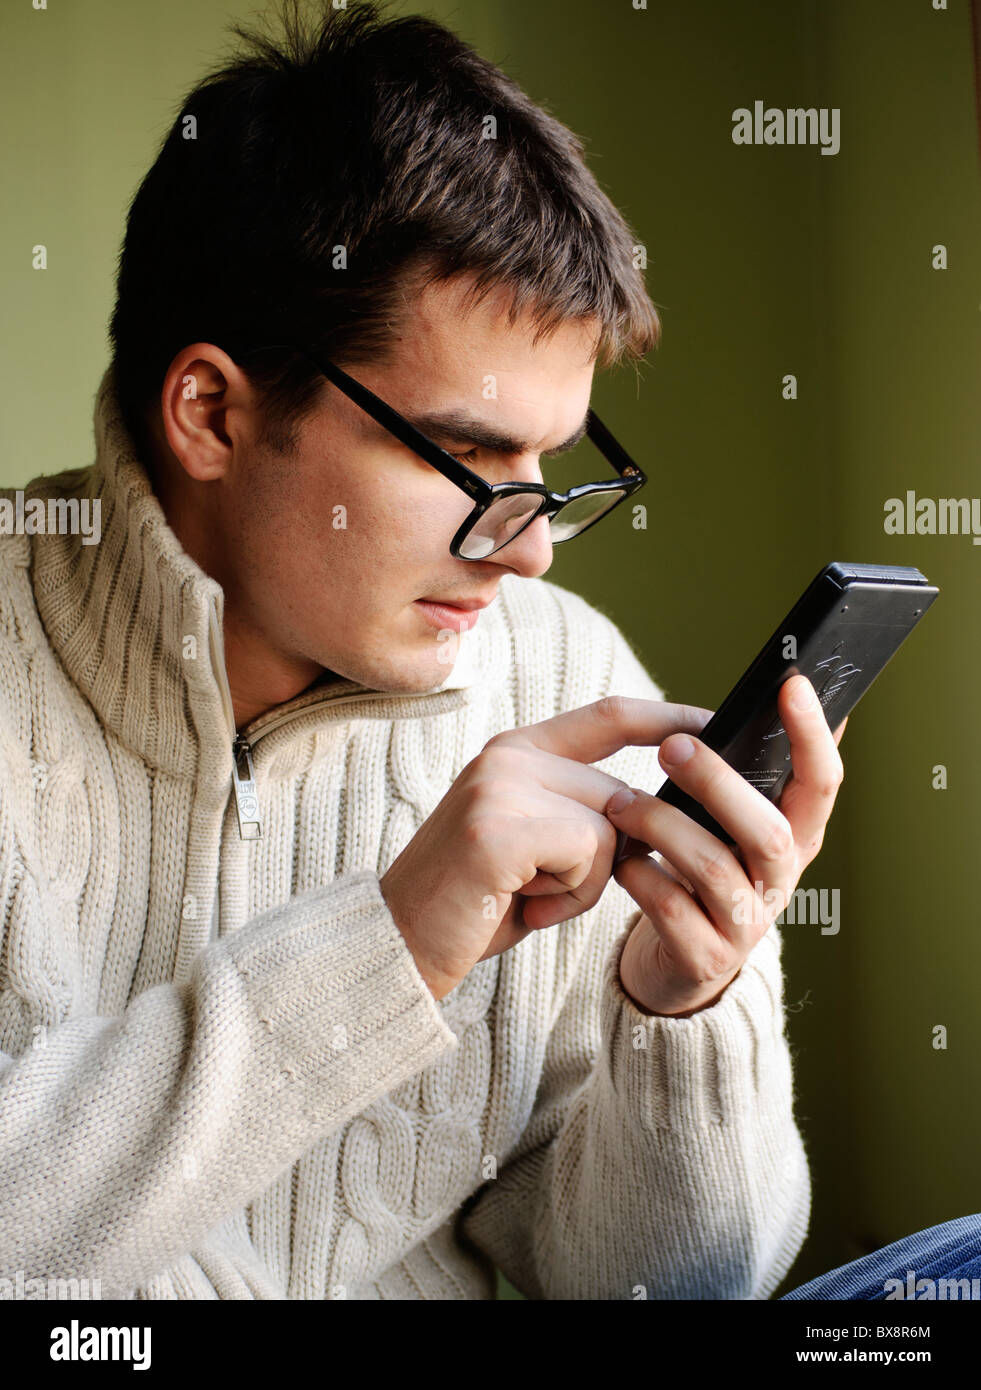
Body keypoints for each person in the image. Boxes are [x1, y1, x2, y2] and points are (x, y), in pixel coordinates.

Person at [0, 0, 855, 1301]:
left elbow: (674, 1292)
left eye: (552, 468)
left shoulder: (565, 674)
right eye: (466, 457)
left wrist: (681, 1006)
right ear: (213, 412)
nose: (529, 554)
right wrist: (388, 942)